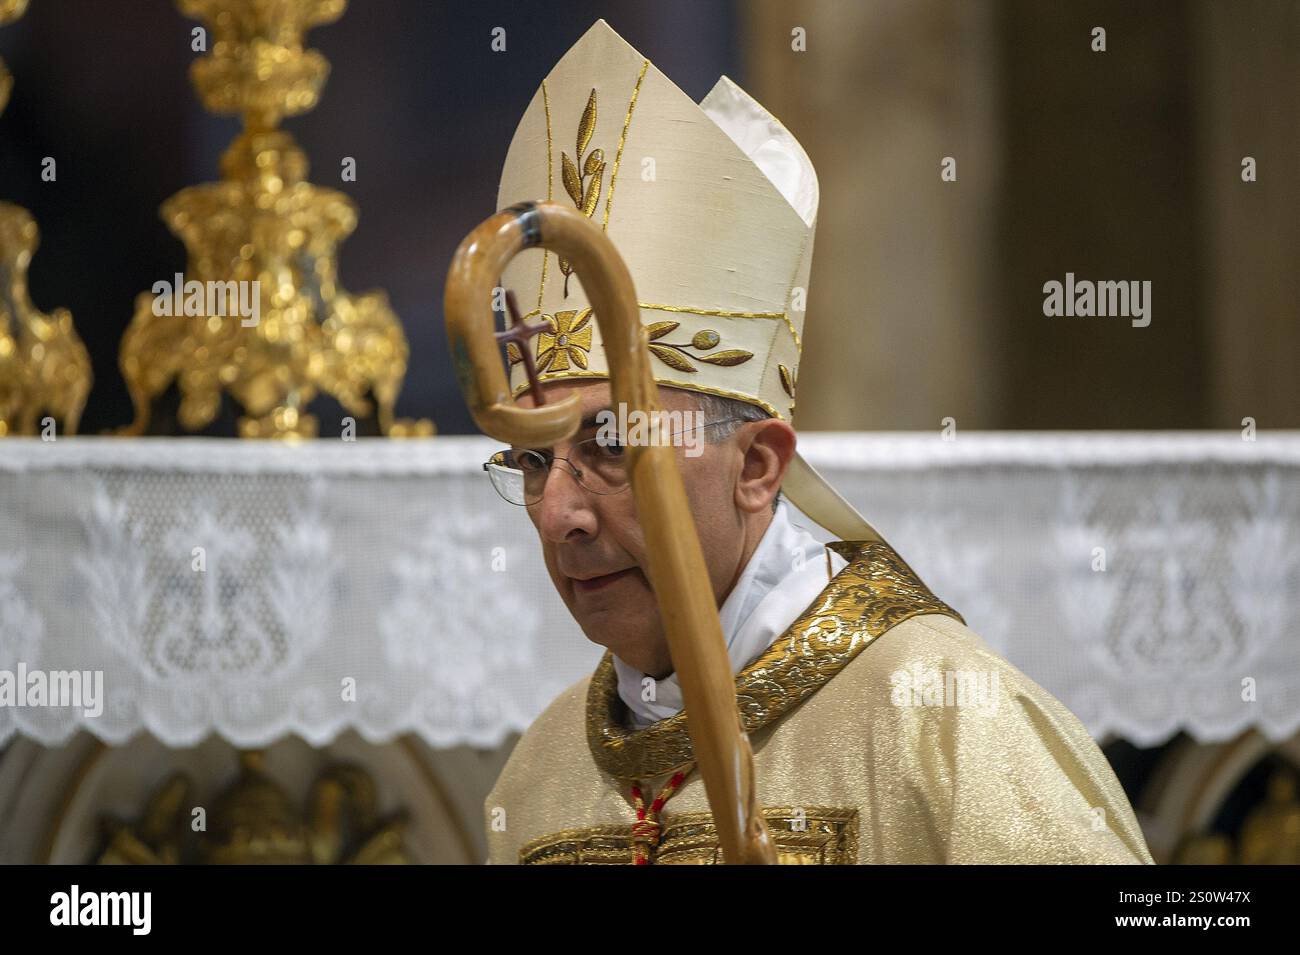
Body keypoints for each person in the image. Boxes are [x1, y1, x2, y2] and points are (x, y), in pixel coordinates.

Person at [477, 19, 1154, 864]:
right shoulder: (538, 780)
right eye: (534, 461)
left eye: (612, 445)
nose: (559, 516)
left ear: (757, 466)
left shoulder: (944, 724)